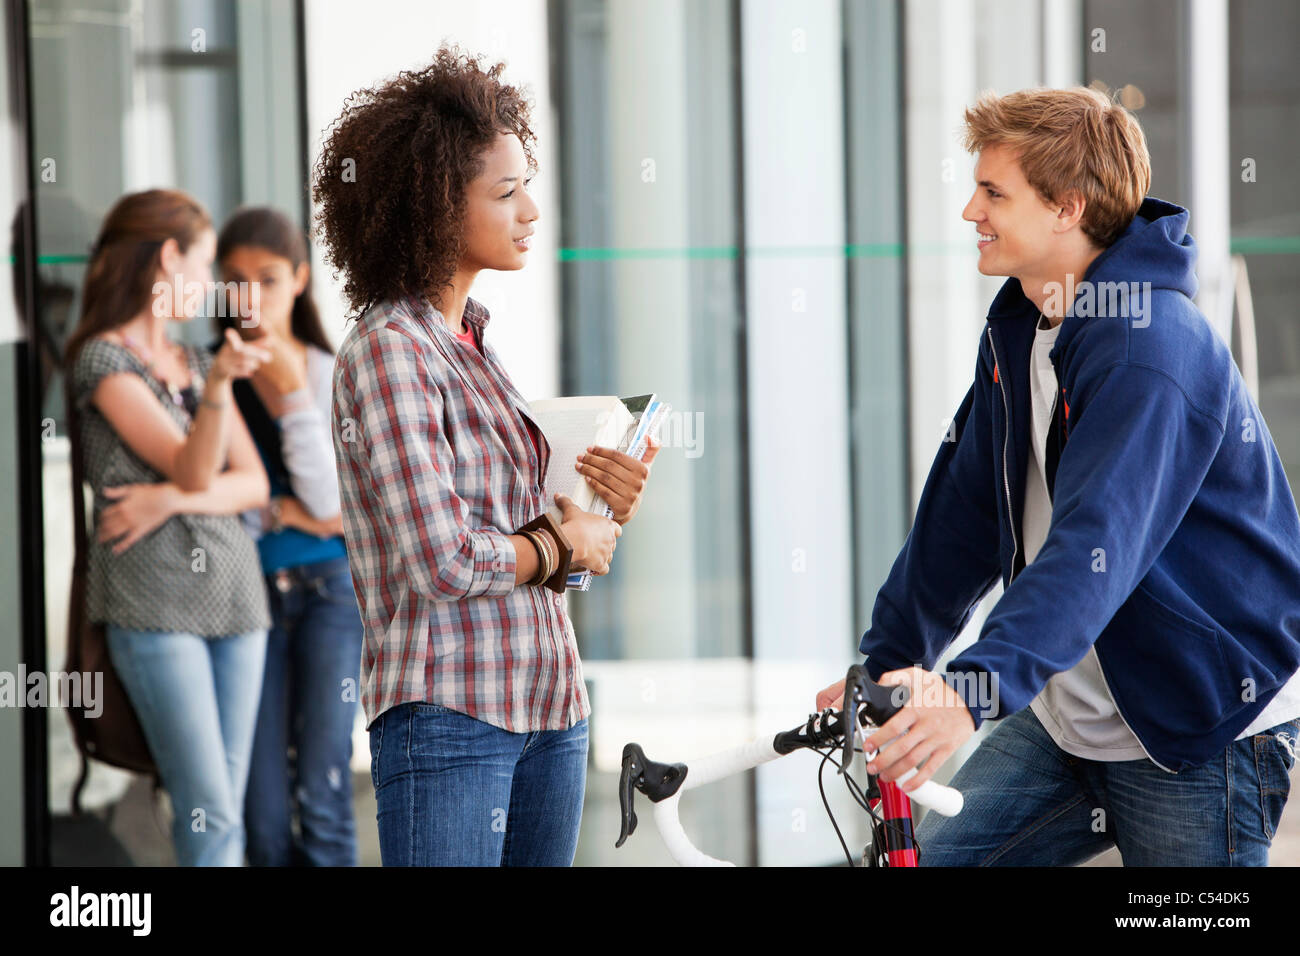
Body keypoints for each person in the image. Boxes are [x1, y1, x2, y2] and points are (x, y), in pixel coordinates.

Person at [816, 86, 1300, 866]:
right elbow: (961, 519)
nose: (971, 211)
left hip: (1195, 723)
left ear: (1067, 208)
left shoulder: (1150, 349)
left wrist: (973, 691)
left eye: (993, 192)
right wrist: (878, 671)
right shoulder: (1025, 325)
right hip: (1068, 712)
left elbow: (1091, 547)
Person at [313, 46, 658, 866]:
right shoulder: (392, 350)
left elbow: (523, 549)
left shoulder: (472, 343)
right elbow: (439, 560)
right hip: (450, 712)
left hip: (548, 702)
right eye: (506, 193)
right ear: (434, 209)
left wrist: (591, 520)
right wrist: (557, 543)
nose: (531, 210)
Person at [64, 188, 273, 866]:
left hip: (238, 601)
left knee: (224, 811)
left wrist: (168, 504)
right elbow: (193, 468)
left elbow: (254, 484)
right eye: (204, 263)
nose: (209, 283)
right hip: (154, 606)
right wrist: (210, 412)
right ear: (166, 259)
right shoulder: (103, 360)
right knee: (207, 809)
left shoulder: (196, 359)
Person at [211, 206, 365, 866]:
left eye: (268, 280)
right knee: (261, 808)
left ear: (300, 279)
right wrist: (291, 510)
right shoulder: (209, 377)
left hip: (332, 594)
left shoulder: (331, 371)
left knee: (324, 788)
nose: (250, 300)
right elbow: (222, 513)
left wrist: (293, 394)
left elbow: (339, 508)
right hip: (247, 600)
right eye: (234, 282)